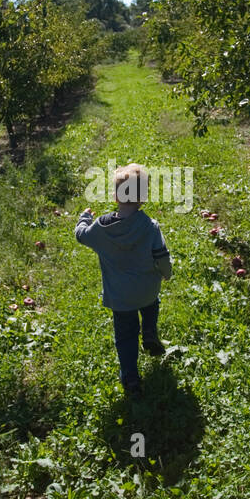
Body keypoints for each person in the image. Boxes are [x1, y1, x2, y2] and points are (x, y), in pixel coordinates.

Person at [75, 162, 173, 393]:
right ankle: (149, 331)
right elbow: (162, 257)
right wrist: (167, 274)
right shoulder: (150, 227)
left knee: (126, 336)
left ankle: (130, 378)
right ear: (143, 198)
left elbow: (80, 235)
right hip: (147, 290)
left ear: (115, 196)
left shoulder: (100, 230)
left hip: (120, 298)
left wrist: (84, 219)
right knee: (151, 304)